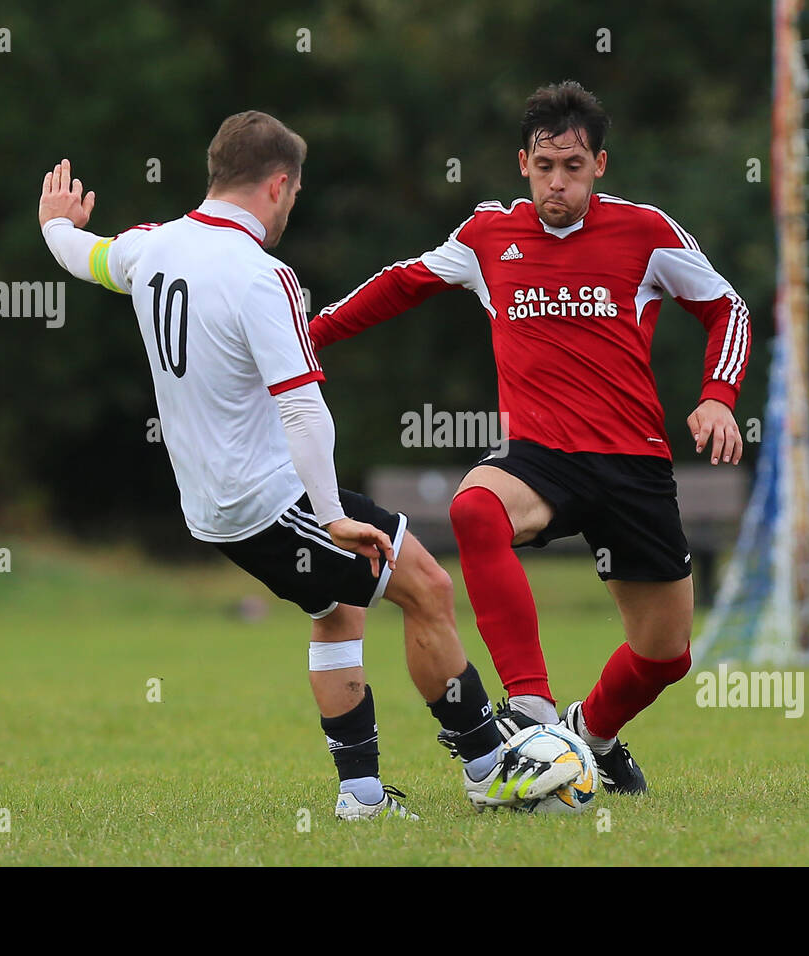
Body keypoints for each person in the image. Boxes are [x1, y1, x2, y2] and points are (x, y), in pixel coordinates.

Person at [36, 111, 578, 819]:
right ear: (278, 184)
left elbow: (89, 258)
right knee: (427, 587)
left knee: (337, 611)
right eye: (294, 194)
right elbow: (302, 409)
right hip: (270, 498)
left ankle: (361, 797)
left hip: (212, 509)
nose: (292, 205)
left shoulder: (153, 247)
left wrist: (55, 226)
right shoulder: (263, 277)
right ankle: (488, 766)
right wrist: (333, 516)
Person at [308, 82, 752, 794]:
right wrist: (307, 337)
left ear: (599, 165)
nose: (558, 182)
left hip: (633, 463)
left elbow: (727, 308)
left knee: (666, 655)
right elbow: (400, 284)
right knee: (473, 510)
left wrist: (717, 399)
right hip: (541, 457)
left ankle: (590, 735)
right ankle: (532, 712)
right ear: (523, 163)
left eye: (573, 166)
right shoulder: (489, 235)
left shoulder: (646, 232)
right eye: (545, 166)